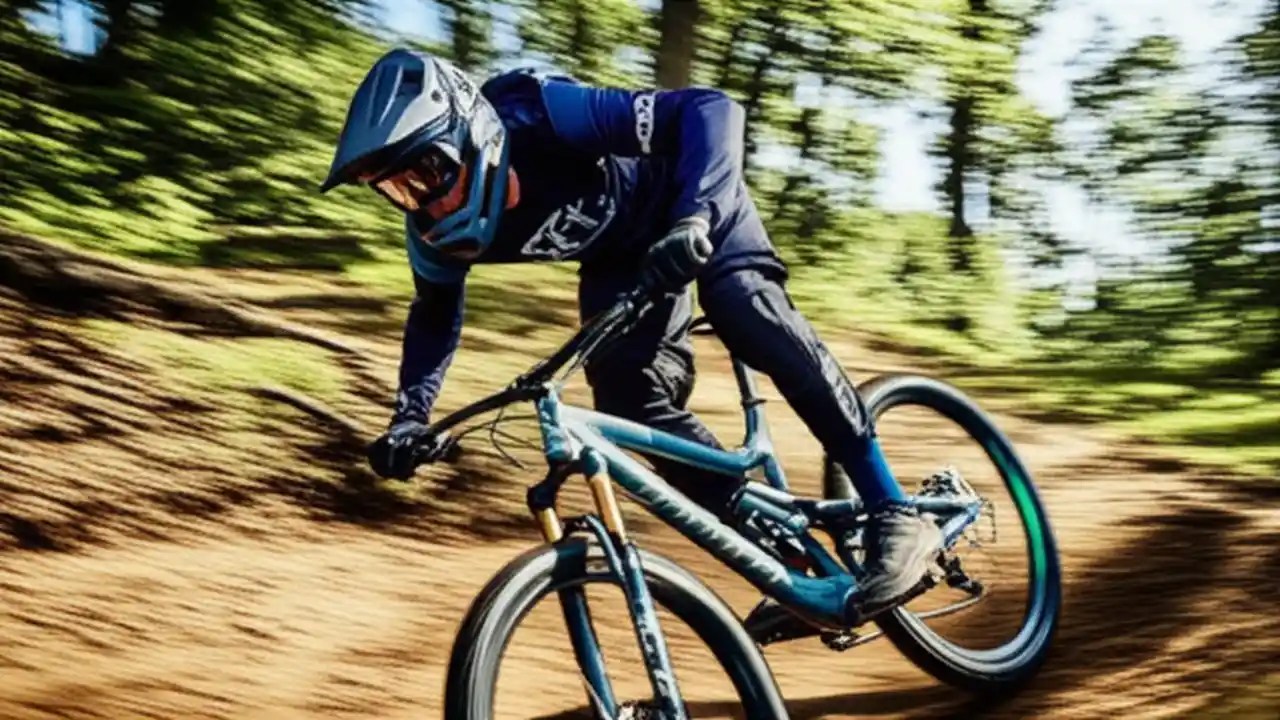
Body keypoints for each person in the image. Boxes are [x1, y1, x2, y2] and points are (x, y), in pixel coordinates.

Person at [320, 49, 941, 617]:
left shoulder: (538, 114)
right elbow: (433, 315)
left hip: (690, 197)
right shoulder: (435, 236)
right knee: (627, 403)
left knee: (742, 303)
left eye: (425, 174)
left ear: (470, 134)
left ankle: (894, 509)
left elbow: (711, 109)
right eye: (397, 190)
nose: (421, 201)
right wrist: (409, 417)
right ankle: (789, 560)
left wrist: (696, 216)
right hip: (622, 257)